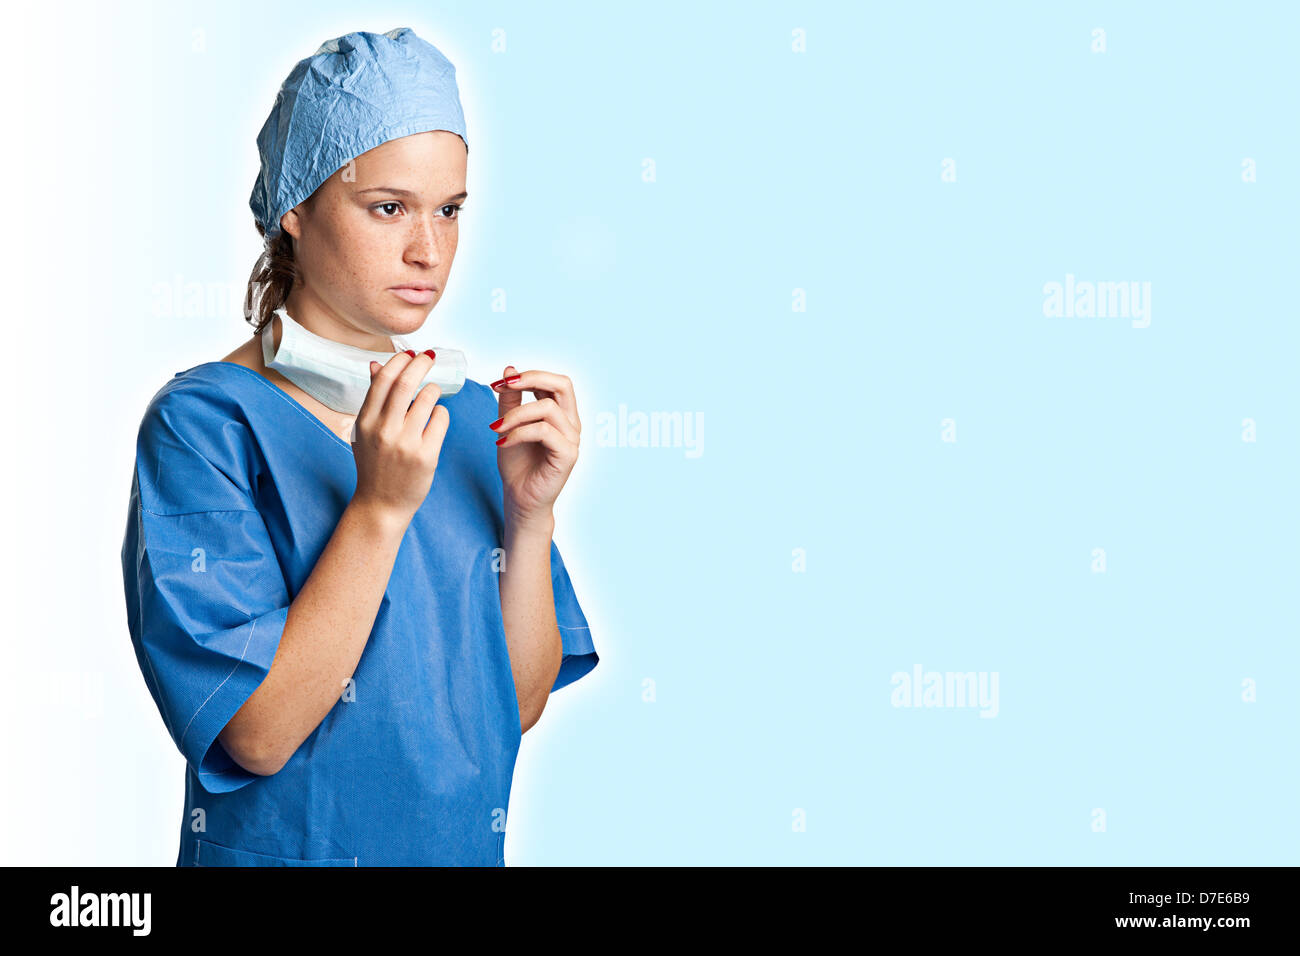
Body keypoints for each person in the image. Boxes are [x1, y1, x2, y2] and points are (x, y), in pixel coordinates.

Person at [119, 27, 597, 867]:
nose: (429, 251)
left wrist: (530, 521)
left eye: (448, 210)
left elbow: (511, 705)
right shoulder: (206, 426)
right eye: (389, 208)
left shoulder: (472, 418)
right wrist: (378, 509)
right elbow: (255, 734)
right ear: (295, 207)